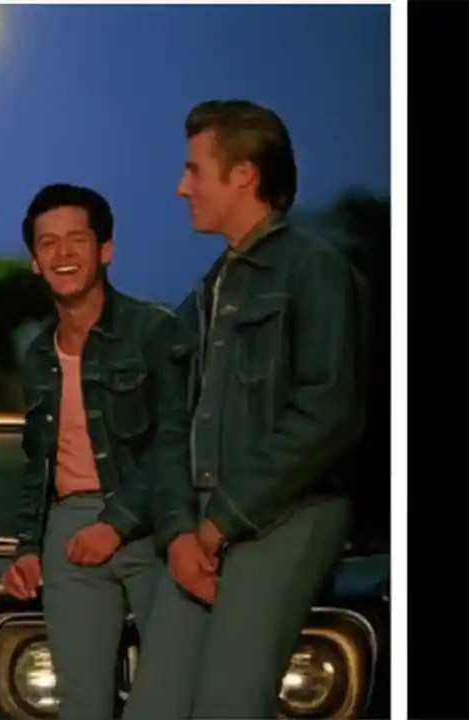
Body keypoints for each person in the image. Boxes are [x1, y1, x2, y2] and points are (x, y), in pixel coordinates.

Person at [122, 99, 369, 719]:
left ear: (243, 175)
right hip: (203, 525)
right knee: (155, 704)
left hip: (286, 513)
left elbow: (328, 412)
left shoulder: (313, 268)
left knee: (229, 703)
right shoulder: (206, 293)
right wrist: (180, 530)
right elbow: (173, 424)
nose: (181, 187)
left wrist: (219, 522)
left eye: (194, 170)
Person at [0, 183, 190, 719]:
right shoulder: (38, 353)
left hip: (152, 522)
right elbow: (36, 461)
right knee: (79, 703)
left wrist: (119, 522)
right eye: (48, 244)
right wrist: (26, 547)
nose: (63, 254)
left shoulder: (154, 330)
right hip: (68, 527)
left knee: (170, 694)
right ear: (35, 261)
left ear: (105, 249)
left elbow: (176, 442)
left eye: (76, 240)